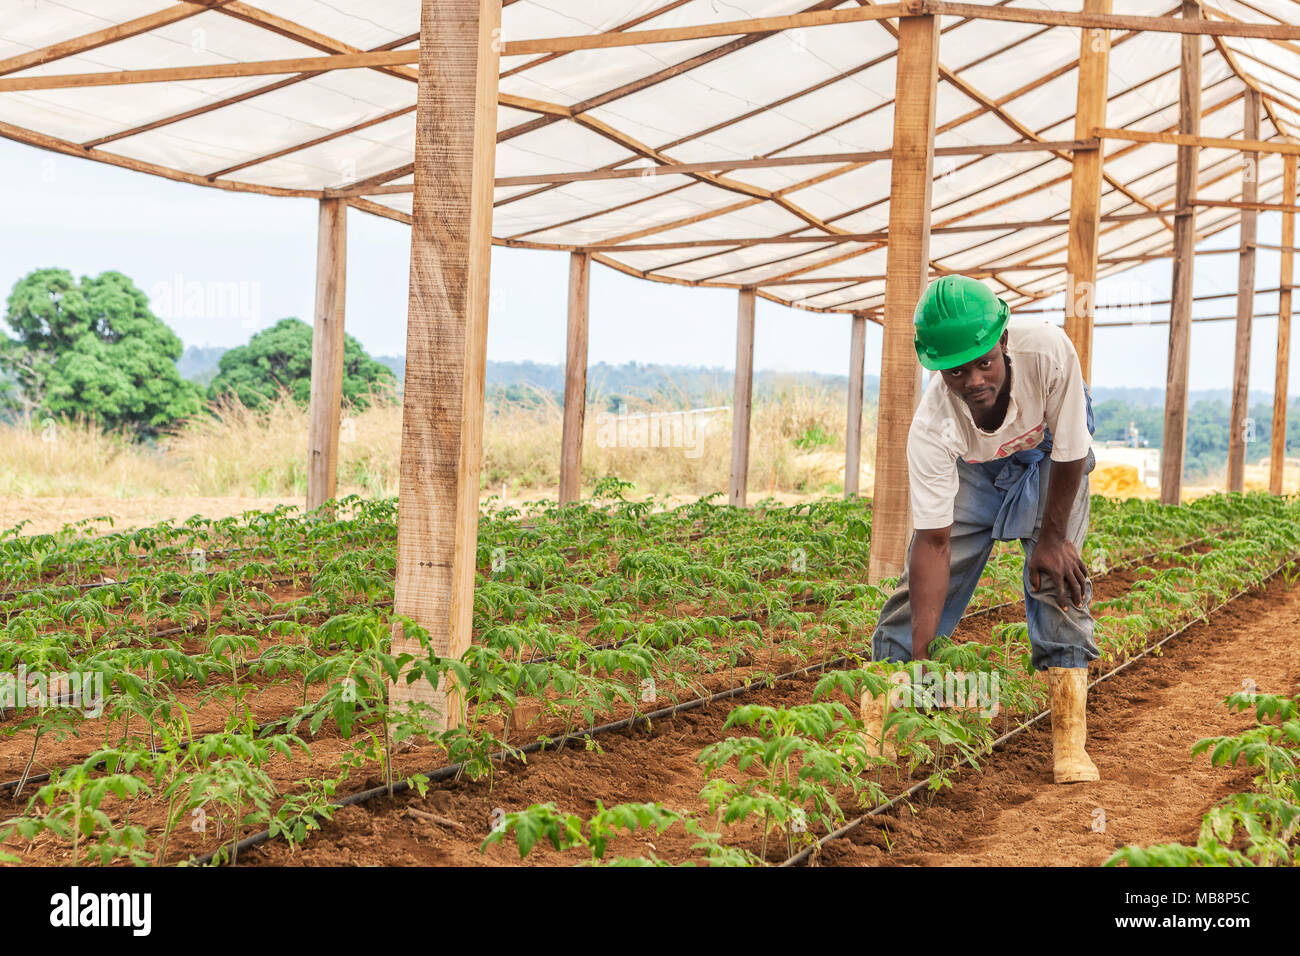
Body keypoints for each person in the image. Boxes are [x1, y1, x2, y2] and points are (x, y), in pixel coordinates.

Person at [862, 274, 1100, 784]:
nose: (972, 380)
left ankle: (1070, 746)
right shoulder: (932, 428)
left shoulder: (1050, 352)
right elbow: (935, 542)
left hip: (1051, 461)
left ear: (1004, 341)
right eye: (954, 371)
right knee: (916, 593)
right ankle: (883, 724)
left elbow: (1072, 450)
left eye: (984, 363)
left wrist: (1053, 540)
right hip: (974, 466)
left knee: (1058, 582)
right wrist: (927, 662)